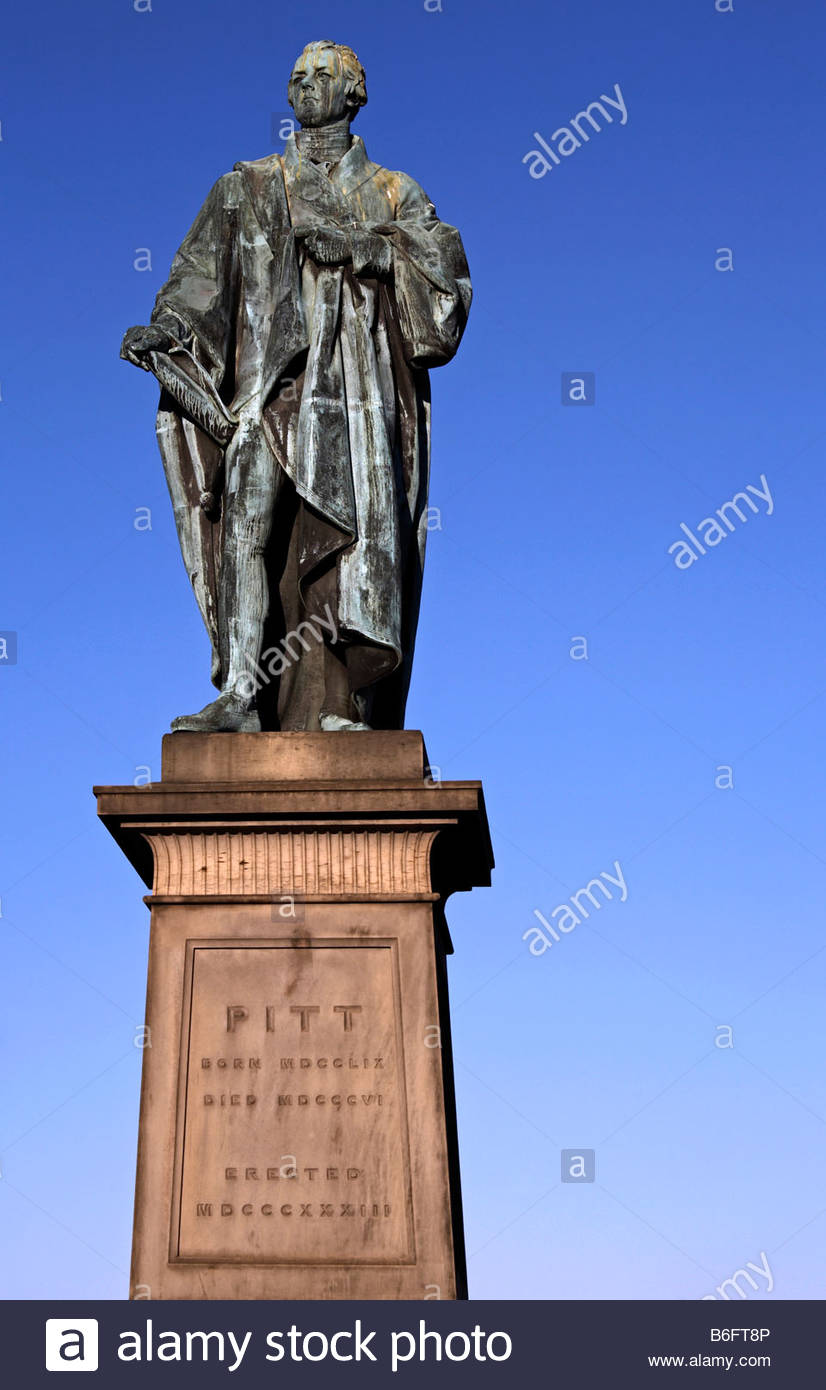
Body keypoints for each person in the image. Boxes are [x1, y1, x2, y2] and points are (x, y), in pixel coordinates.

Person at [122, 39, 471, 732]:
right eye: (297, 77)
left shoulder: (395, 192)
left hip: (356, 397)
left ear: (354, 93)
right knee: (244, 519)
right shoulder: (247, 186)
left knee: (358, 537)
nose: (306, 86)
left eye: (322, 76)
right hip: (271, 386)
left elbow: (443, 294)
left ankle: (348, 705)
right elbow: (199, 277)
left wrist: (367, 248)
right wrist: (166, 330)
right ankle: (239, 693)